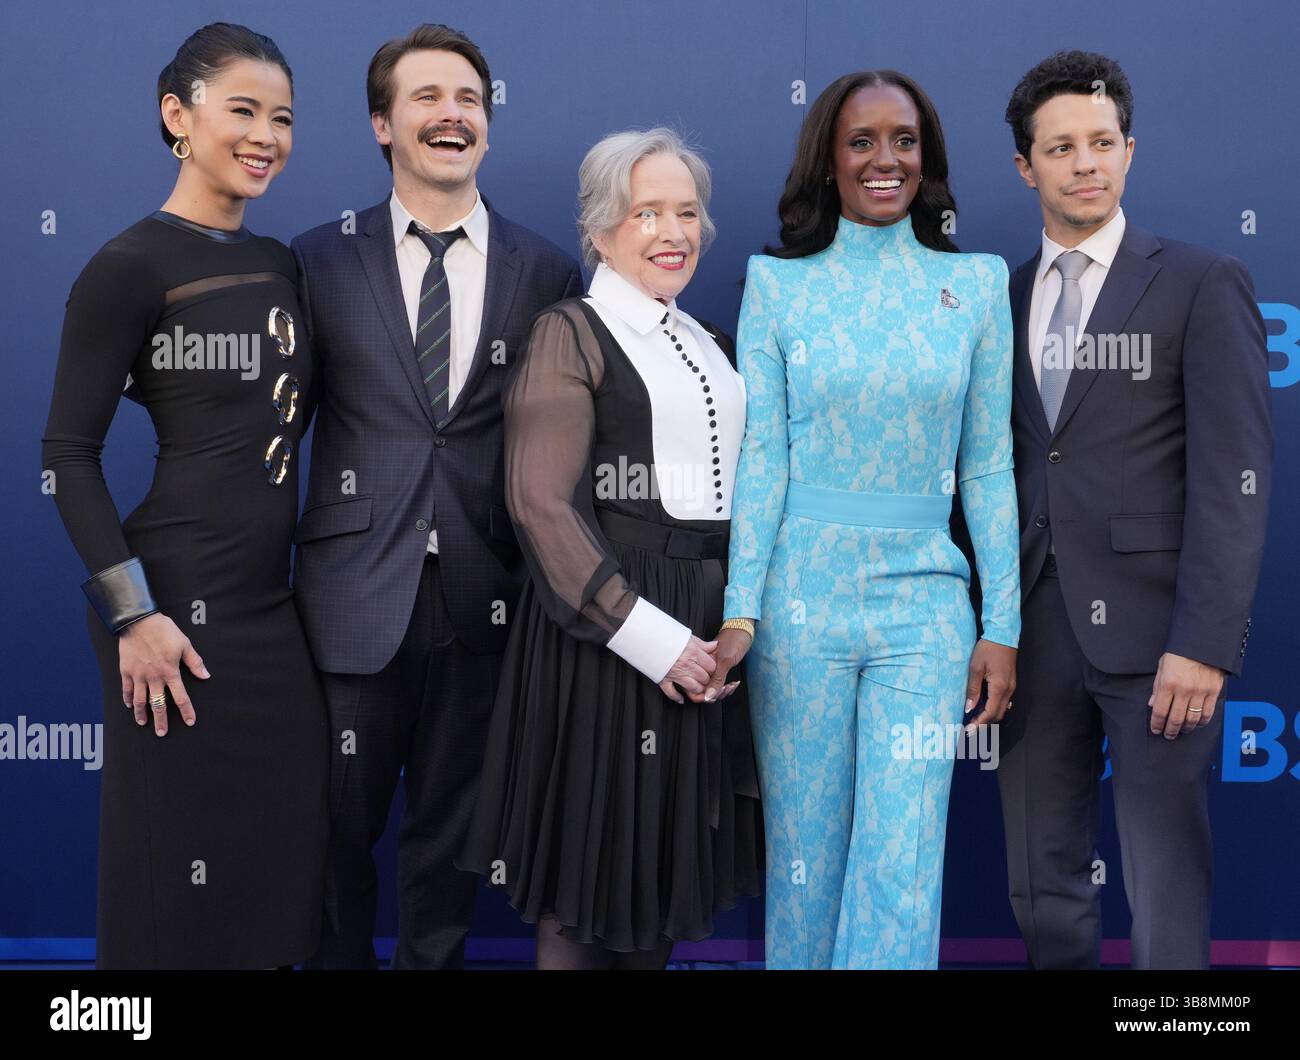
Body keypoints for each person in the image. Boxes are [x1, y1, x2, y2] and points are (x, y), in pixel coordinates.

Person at [703, 71, 1020, 969]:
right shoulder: (775, 284)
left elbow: (990, 465)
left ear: (928, 157)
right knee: (804, 861)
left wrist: (1004, 624)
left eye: (905, 140)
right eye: (862, 141)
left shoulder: (978, 285)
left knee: (904, 857)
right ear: (829, 160)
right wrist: (741, 609)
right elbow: (762, 458)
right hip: (799, 604)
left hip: (925, 611)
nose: (886, 159)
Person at [290, 24, 582, 970]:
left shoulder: (545, 271)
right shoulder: (318, 259)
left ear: (487, 125)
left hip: (484, 597)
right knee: (332, 833)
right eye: (425, 98)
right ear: (383, 123)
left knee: (455, 841)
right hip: (349, 596)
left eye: (468, 99)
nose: (450, 114)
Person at [40, 23, 328, 969]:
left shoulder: (283, 261)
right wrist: (134, 616)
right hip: (170, 612)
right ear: (178, 115)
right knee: (171, 869)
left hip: (268, 613)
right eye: (242, 109)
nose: (265, 134)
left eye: (280, 117)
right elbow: (68, 455)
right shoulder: (128, 267)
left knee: (272, 861)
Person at [457, 128, 763, 970]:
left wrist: (731, 631)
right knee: (583, 889)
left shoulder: (711, 341)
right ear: (598, 230)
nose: (674, 232)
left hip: (708, 644)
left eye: (688, 213)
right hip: (603, 640)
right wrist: (655, 642)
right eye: (646, 213)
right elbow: (539, 504)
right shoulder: (572, 331)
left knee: (661, 878)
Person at [996, 50, 1272, 969]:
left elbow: (1236, 480)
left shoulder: (1199, 280)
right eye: (1062, 146)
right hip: (1030, 633)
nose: (1087, 163)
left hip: (1162, 638)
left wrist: (1204, 641)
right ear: (1026, 165)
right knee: (1043, 883)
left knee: (1164, 887)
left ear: (1130, 151)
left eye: (1104, 143)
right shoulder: (993, 299)